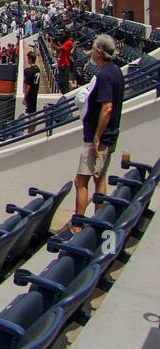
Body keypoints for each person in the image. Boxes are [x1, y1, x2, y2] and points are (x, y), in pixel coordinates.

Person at [72, 35, 125, 230]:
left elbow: (107, 108)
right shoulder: (116, 71)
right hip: (109, 136)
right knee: (99, 177)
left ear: (100, 52)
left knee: (81, 181)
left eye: (93, 49)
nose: (91, 52)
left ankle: (78, 225)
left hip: (98, 139)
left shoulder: (104, 75)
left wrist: (96, 137)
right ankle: (98, 220)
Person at [22, 50, 41, 135]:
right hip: (35, 94)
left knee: (30, 116)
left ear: (30, 59)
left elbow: (28, 86)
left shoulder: (28, 71)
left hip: (30, 95)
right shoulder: (37, 69)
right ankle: (32, 131)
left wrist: (25, 98)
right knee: (33, 114)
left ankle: (30, 133)